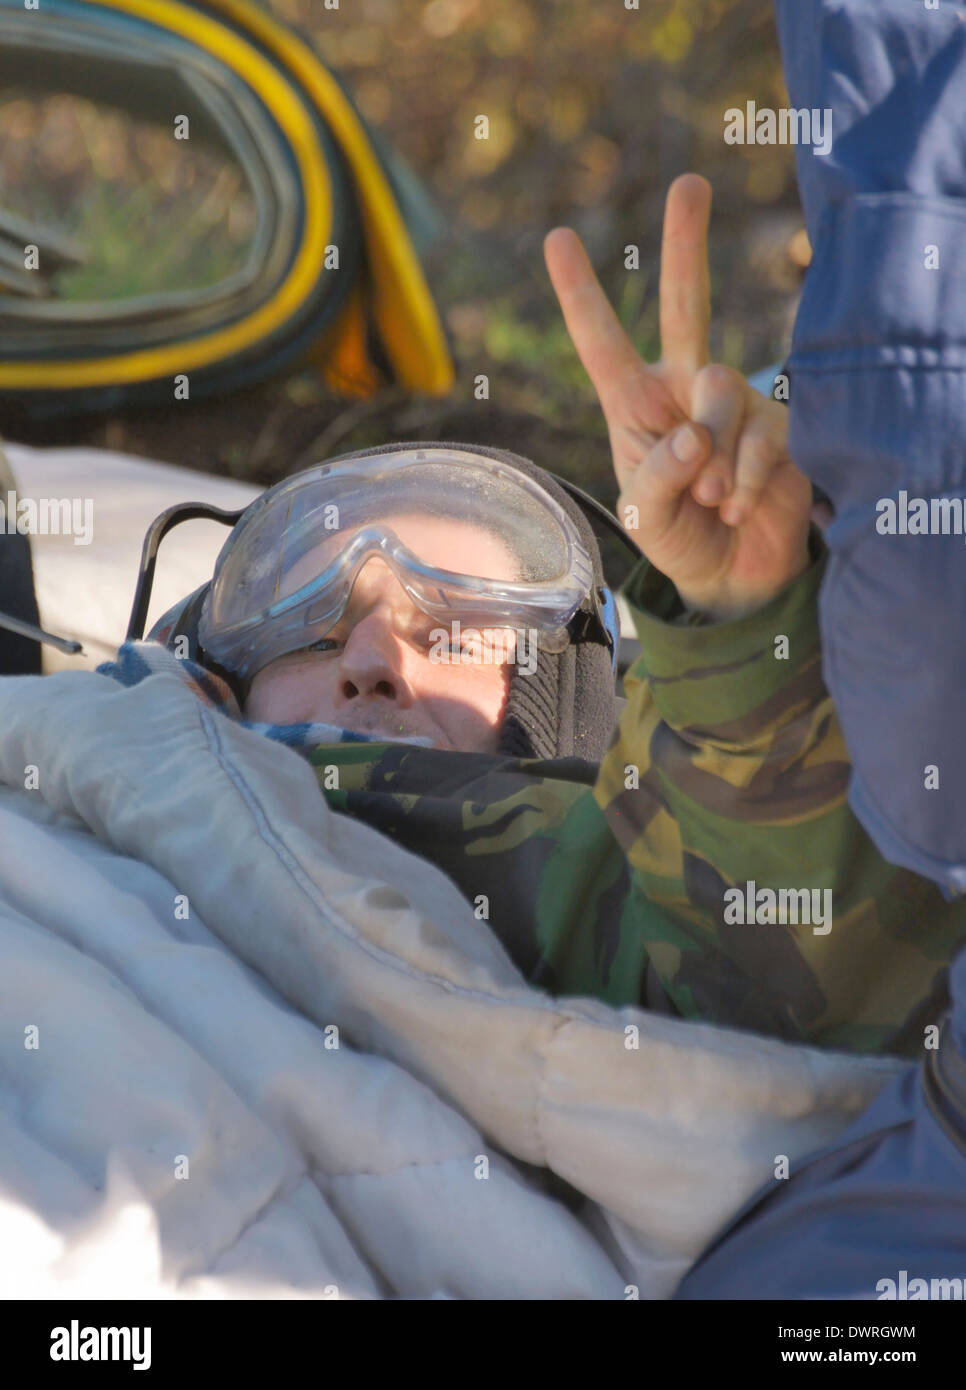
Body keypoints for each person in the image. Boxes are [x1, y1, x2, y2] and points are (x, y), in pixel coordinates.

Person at [129, 176, 965, 1059]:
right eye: (314, 631)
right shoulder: (110, 759)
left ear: (559, 700)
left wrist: (740, 625)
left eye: (448, 631)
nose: (373, 659)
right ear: (217, 676)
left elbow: (778, 996)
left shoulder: (601, 878)